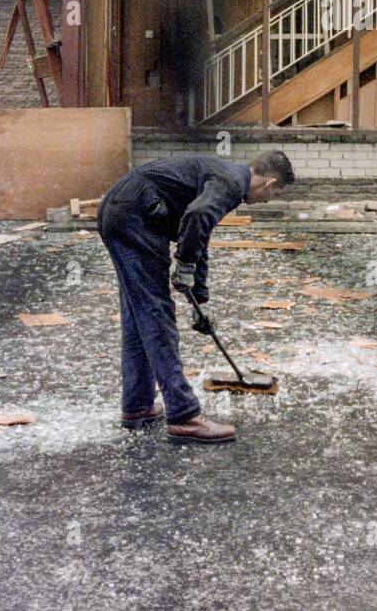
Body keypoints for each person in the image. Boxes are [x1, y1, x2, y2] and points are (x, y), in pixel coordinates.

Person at [97, 150, 294, 443]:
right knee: (156, 316)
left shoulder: (227, 176)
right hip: (135, 217)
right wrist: (186, 265)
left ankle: (137, 405)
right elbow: (197, 216)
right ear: (269, 183)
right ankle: (184, 416)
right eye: (274, 193)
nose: (268, 200)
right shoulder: (231, 183)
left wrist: (199, 296)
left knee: (138, 316)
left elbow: (198, 231)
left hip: (125, 212)